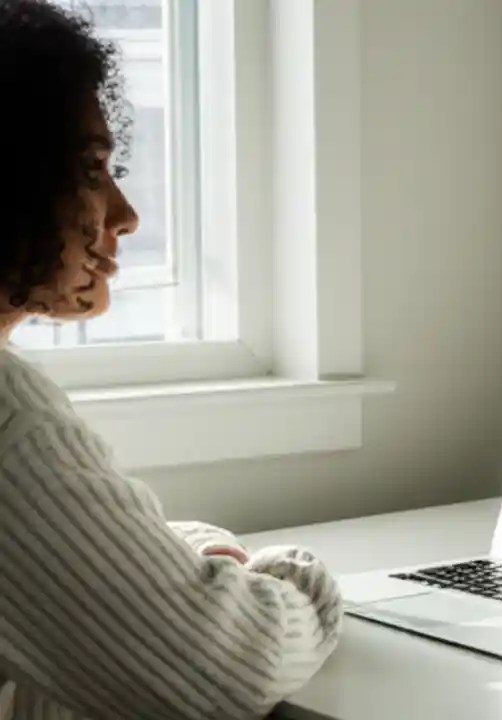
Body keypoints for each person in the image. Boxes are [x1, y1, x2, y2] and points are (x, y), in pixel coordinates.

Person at [0, 1, 342, 718]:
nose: (124, 215)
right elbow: (219, 674)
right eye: (92, 168)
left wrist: (183, 555)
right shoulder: (13, 427)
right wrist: (297, 579)